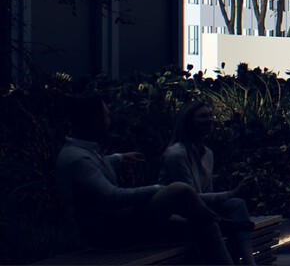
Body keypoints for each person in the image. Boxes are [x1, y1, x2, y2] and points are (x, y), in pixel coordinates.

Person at [56, 92, 230, 264]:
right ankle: (219, 220)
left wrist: (120, 157)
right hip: (111, 235)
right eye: (106, 117)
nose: (109, 122)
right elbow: (113, 197)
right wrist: (156, 188)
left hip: (121, 224)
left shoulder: (83, 153)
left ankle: (216, 221)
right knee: (179, 189)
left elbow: (97, 165)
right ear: (96, 121)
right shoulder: (78, 159)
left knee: (205, 227)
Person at [160, 98, 258, 265]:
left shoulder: (207, 153)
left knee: (237, 204)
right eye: (203, 117)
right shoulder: (176, 154)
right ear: (189, 123)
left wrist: (237, 193)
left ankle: (249, 262)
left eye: (210, 115)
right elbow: (191, 198)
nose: (210, 120)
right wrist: (231, 192)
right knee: (220, 221)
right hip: (180, 214)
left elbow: (207, 193)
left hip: (201, 209)